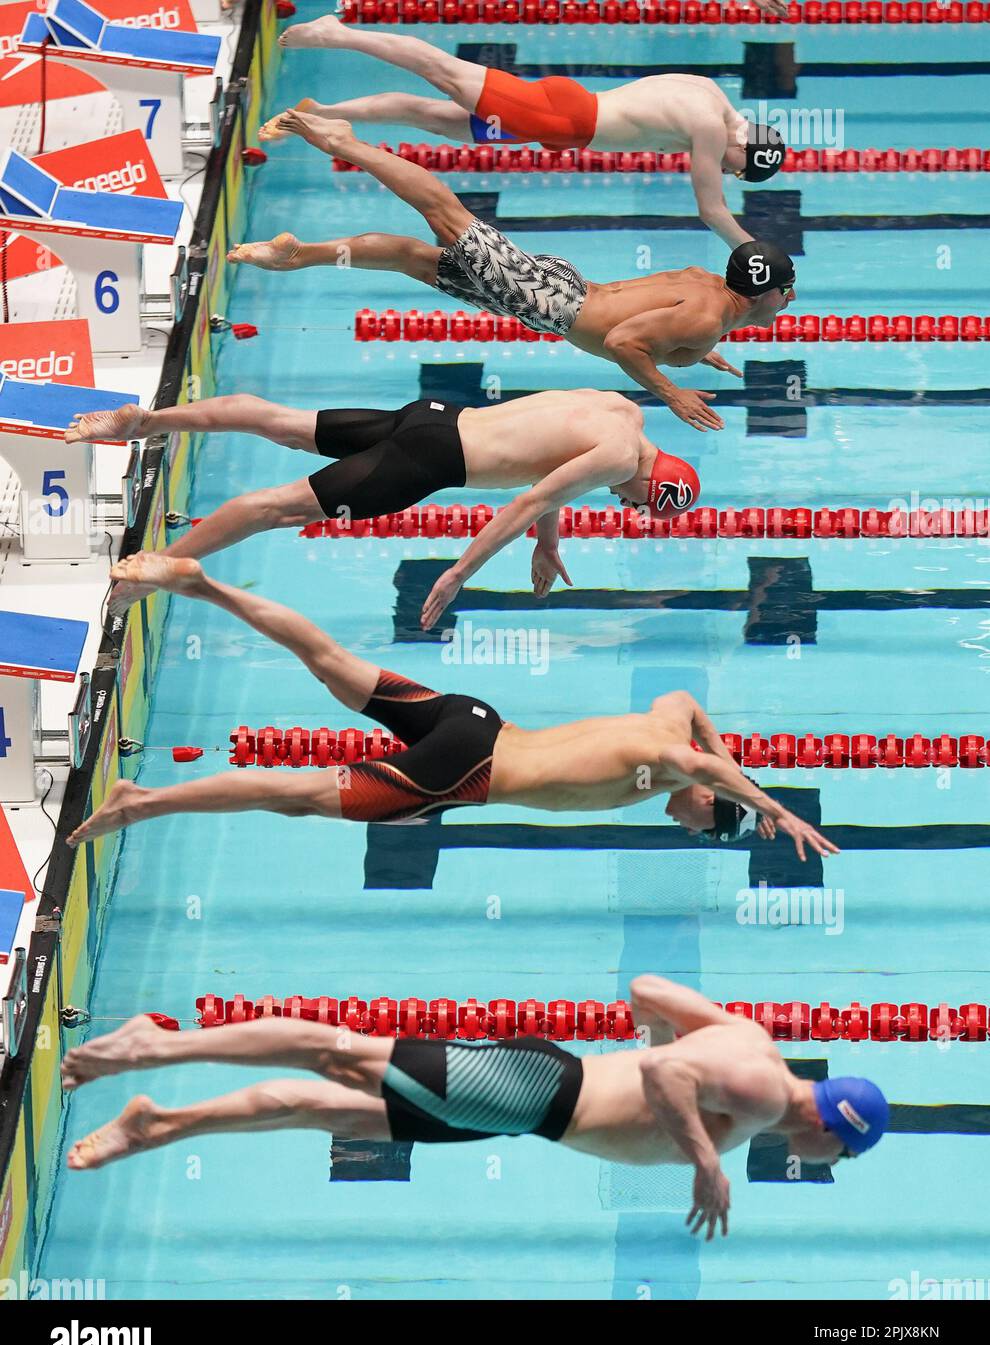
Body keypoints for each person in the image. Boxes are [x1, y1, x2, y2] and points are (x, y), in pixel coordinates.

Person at [68, 553, 838, 862]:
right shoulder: (665, 765)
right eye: (705, 825)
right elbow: (694, 759)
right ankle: (144, 802)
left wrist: (744, 782)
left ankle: (201, 584)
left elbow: (689, 709)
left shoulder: (666, 726)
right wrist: (771, 802)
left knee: (331, 663)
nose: (688, 828)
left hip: (474, 719)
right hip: (462, 770)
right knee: (295, 796)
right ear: (707, 800)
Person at [60, 974, 887, 1238]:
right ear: (830, 1129)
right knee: (338, 1055)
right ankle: (154, 1046)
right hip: (537, 1093)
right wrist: (707, 1165)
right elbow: (668, 1078)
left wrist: (656, 1039)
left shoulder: (755, 1045)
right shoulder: (767, 1091)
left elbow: (649, 992)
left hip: (529, 1108)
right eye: (845, 1158)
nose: (830, 1168)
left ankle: (159, 1125)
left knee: (336, 1110)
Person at [229, 114, 797, 432]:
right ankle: (343, 142)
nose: (788, 302)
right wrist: (672, 392)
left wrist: (700, 348)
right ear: (766, 292)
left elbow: (663, 320)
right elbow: (625, 340)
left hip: (565, 285)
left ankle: (301, 256)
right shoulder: (704, 318)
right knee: (445, 214)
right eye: (786, 292)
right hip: (552, 305)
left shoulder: (706, 288)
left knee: (415, 259)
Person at [64, 389, 698, 614]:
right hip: (426, 463)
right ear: (654, 482)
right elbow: (528, 502)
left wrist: (550, 540)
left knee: (279, 421)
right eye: (639, 504)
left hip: (431, 418)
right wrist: (458, 574)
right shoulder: (619, 459)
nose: (625, 503)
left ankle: (146, 424)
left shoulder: (624, 416)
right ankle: (156, 571)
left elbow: (559, 475)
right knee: (273, 508)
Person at [270, 15, 786, 248]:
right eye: (739, 170)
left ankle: (329, 110)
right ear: (746, 147)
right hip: (559, 120)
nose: (728, 171)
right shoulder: (711, 128)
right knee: (443, 71)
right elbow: (711, 209)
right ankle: (340, 35)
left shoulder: (709, 93)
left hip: (563, 116)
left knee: (438, 119)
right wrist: (751, 248)